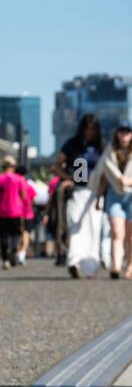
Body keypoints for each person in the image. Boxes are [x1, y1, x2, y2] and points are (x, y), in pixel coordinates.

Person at [59, 114, 104, 278]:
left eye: (92, 129)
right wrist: (68, 178)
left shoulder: (100, 147)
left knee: (94, 228)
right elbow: (56, 166)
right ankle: (74, 261)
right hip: (78, 190)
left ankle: (90, 265)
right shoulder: (72, 145)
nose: (89, 132)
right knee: (76, 226)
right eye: (87, 128)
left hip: (96, 191)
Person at [98, 120, 132, 280]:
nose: (124, 135)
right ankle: (116, 265)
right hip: (113, 194)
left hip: (130, 194)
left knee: (130, 235)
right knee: (117, 232)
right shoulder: (108, 152)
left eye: (127, 132)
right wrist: (98, 196)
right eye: (121, 131)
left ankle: (130, 266)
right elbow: (103, 176)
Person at [0, 156, 30, 269]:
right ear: (13, 167)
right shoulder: (19, 179)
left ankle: (5, 260)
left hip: (2, 212)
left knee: (3, 236)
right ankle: (13, 249)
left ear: (3, 167)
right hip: (16, 212)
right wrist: (25, 210)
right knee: (16, 234)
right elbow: (24, 196)